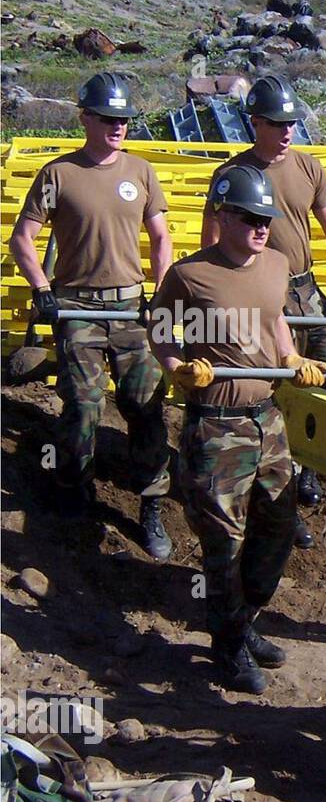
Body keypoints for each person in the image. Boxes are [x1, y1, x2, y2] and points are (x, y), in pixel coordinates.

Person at [150, 164, 325, 693]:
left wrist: (291, 355)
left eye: (266, 218)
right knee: (223, 540)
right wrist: (177, 367)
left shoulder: (276, 263)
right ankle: (226, 646)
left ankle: (245, 621)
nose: (261, 227)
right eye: (249, 218)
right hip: (216, 423)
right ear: (222, 217)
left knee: (277, 526)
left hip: (267, 420)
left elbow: (274, 316)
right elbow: (160, 331)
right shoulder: (189, 275)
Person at [9, 72, 174, 559]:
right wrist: (41, 288)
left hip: (130, 308)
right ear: (86, 118)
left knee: (144, 405)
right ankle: (75, 491)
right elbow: (23, 239)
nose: (117, 127)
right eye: (107, 118)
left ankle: (151, 506)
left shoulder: (141, 172)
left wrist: (162, 291)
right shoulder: (59, 174)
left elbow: (161, 237)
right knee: (82, 405)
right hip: (77, 307)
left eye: (123, 119)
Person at [201, 74, 326, 549]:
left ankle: (313, 469)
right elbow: (212, 241)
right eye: (278, 123)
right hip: (260, 292)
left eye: (292, 122)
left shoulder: (310, 169)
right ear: (255, 123)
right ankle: (279, 484)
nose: (288, 130)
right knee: (277, 385)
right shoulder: (234, 175)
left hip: (307, 289)